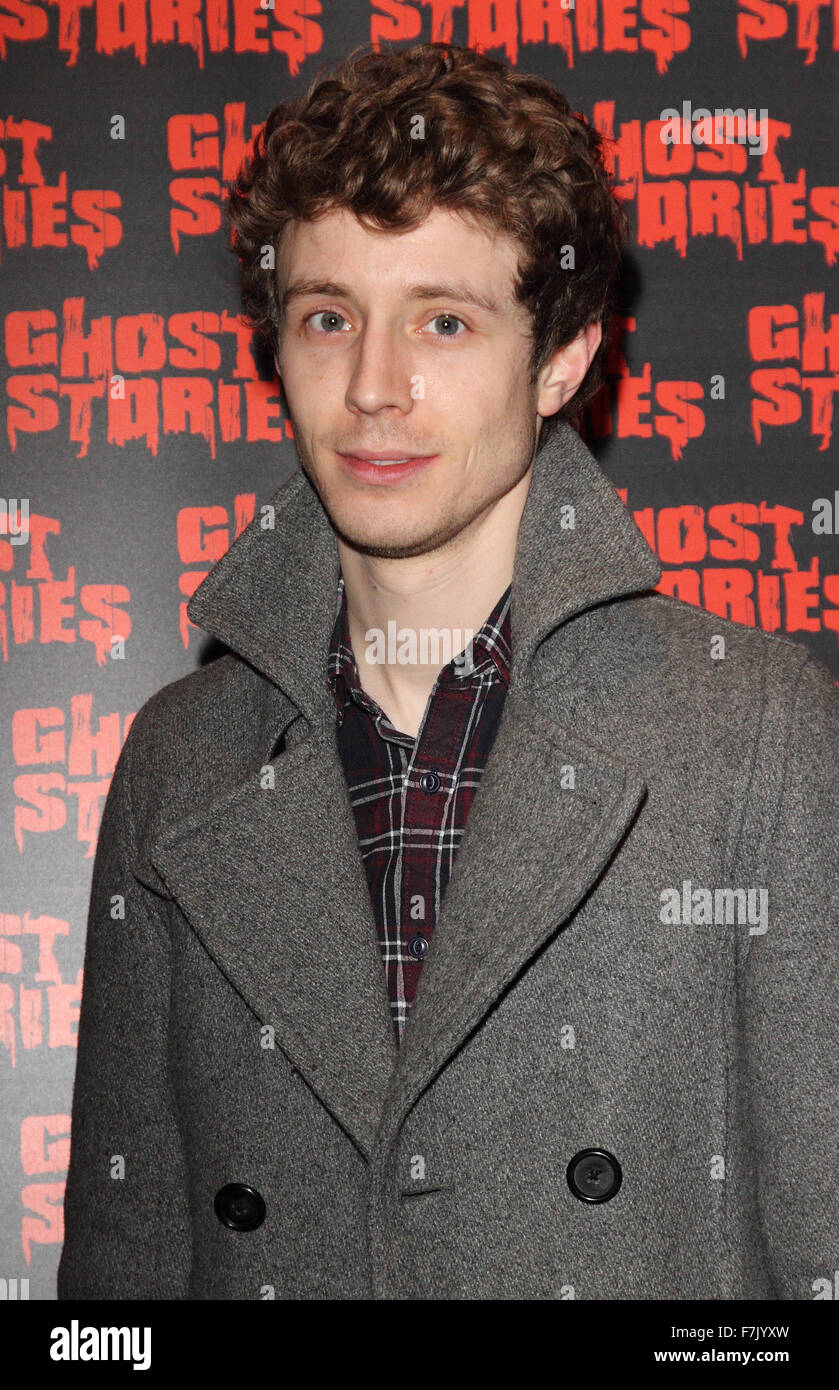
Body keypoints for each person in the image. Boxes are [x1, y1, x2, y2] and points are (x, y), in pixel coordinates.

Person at [58, 40, 838, 1301]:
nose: (372, 388)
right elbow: (119, 1289)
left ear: (562, 357)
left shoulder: (753, 732)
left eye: (442, 320)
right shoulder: (179, 762)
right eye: (327, 318)